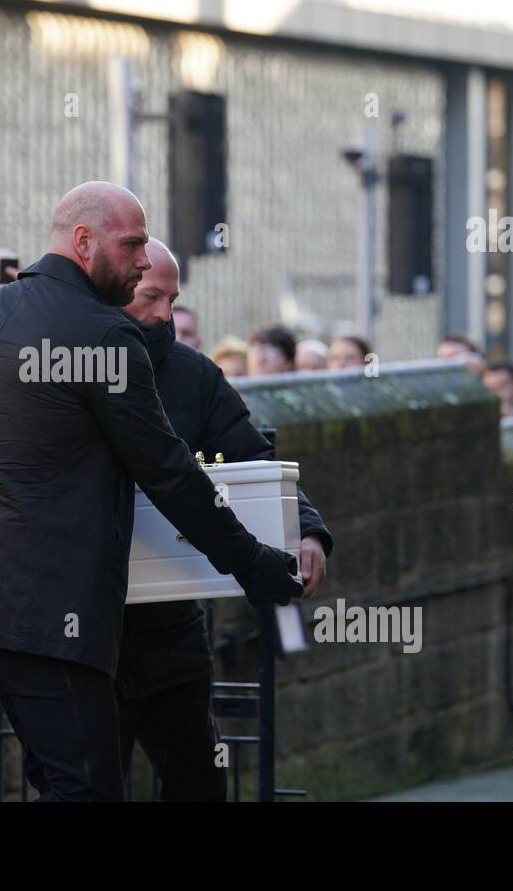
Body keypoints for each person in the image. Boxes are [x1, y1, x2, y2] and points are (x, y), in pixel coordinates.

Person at [0, 181, 306, 802]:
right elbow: (168, 473)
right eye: (134, 244)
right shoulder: (105, 336)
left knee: (69, 776)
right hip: (49, 607)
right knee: (84, 784)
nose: (144, 259)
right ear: (83, 242)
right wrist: (259, 567)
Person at [118, 240, 333, 800]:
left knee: (198, 782)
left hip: (168, 622)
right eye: (151, 297)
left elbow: (252, 457)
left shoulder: (192, 374)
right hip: (78, 621)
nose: (165, 313)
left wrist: (304, 530)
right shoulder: (62, 368)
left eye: (173, 298)